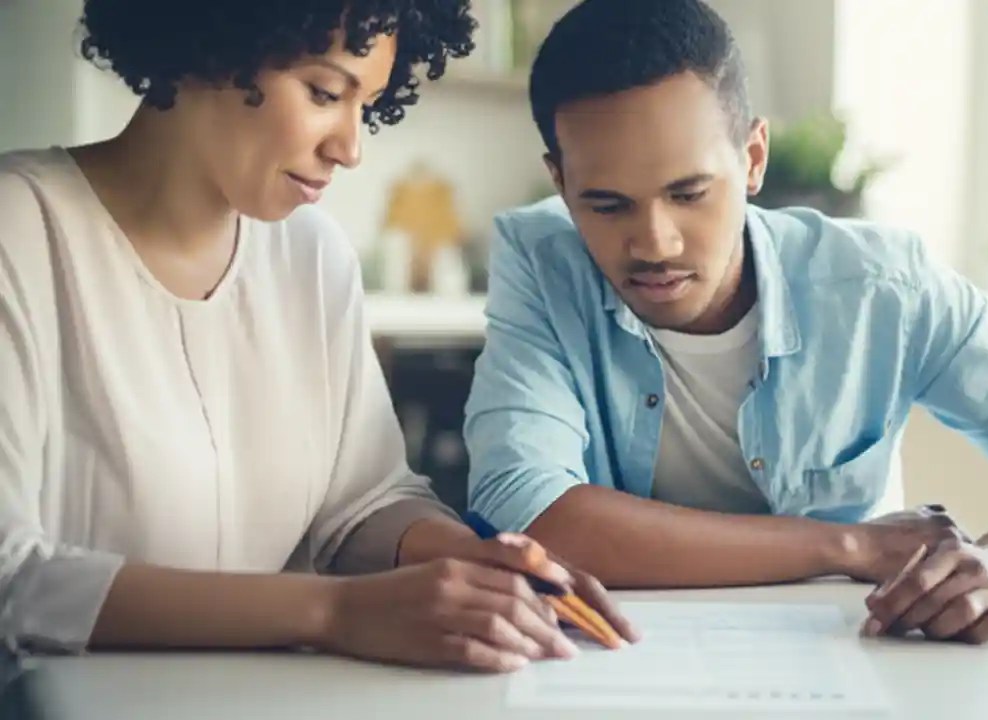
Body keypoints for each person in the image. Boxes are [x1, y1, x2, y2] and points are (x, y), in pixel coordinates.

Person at [464, 0, 988, 645]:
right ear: (560, 182)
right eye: (607, 205)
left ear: (753, 158)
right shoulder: (541, 262)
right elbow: (532, 512)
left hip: (847, 658)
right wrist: (847, 546)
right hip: (618, 662)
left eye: (689, 194)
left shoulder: (877, 286)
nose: (656, 243)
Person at [0, 0, 634, 673]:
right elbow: (13, 576)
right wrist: (334, 612)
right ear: (208, 45)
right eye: (325, 92)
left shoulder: (312, 254)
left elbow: (362, 503)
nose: (351, 148)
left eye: (368, 105)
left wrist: (470, 561)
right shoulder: (20, 229)